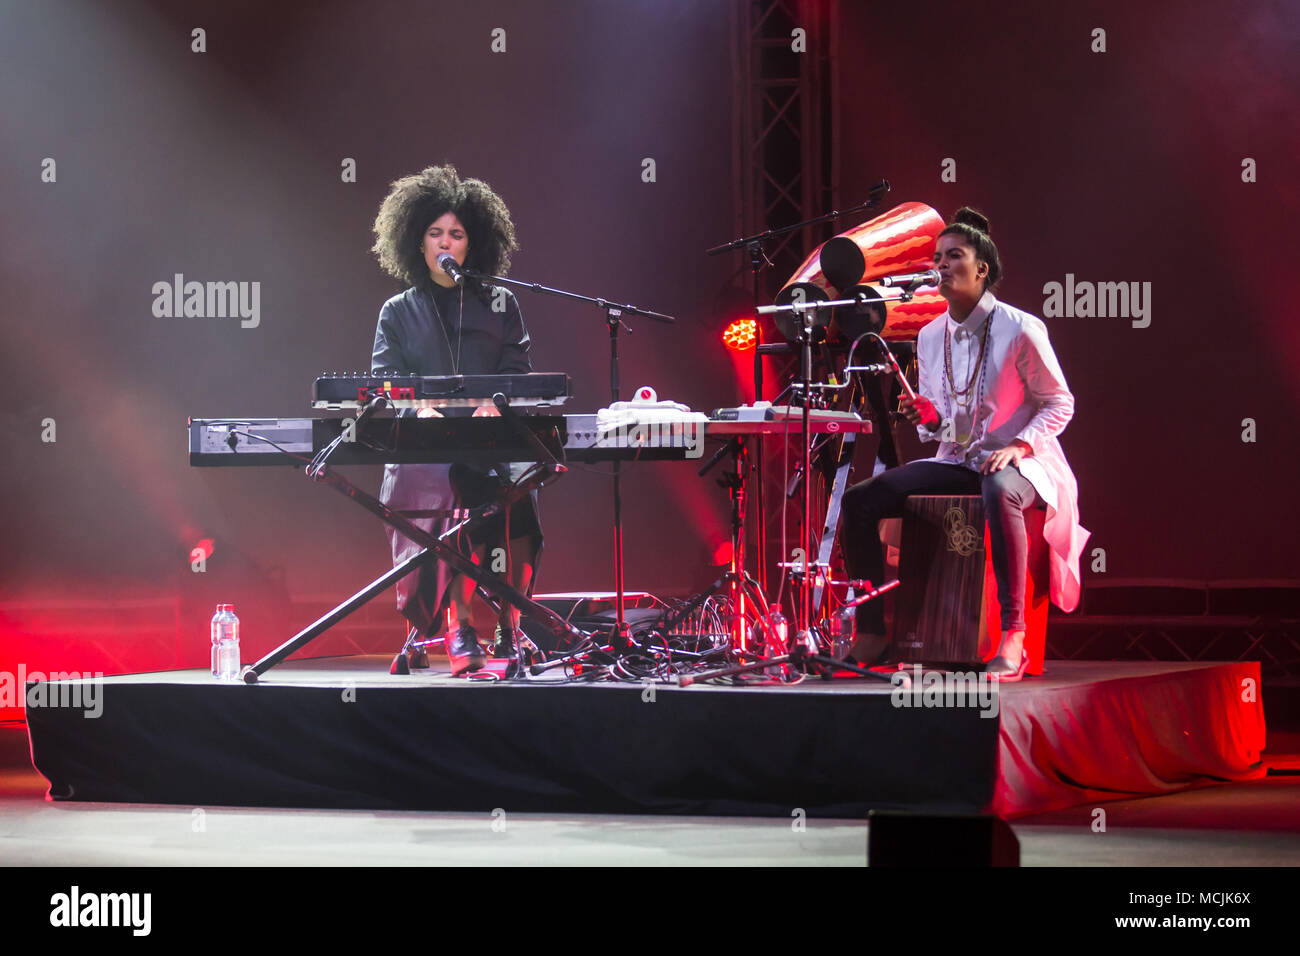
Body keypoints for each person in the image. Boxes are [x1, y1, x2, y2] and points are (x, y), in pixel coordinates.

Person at [839, 207, 1088, 680]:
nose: (941, 265)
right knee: (860, 500)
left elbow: (1060, 402)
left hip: (1025, 463)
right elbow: (949, 431)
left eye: (954, 256)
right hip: (960, 459)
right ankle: (871, 631)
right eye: (937, 257)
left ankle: (1014, 635)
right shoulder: (930, 335)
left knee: (998, 486)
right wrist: (932, 419)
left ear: (981, 269)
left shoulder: (1020, 328)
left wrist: (1018, 446)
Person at [370, 164, 542, 675]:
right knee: (457, 497)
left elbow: (517, 372)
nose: (446, 242)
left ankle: (511, 626)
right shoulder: (398, 310)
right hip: (427, 449)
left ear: (474, 243)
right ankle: (458, 625)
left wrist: (496, 402)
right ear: (417, 241)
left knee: (523, 493)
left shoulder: (501, 302)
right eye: (435, 232)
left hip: (492, 442)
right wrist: (415, 406)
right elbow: (385, 380)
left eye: (457, 234)